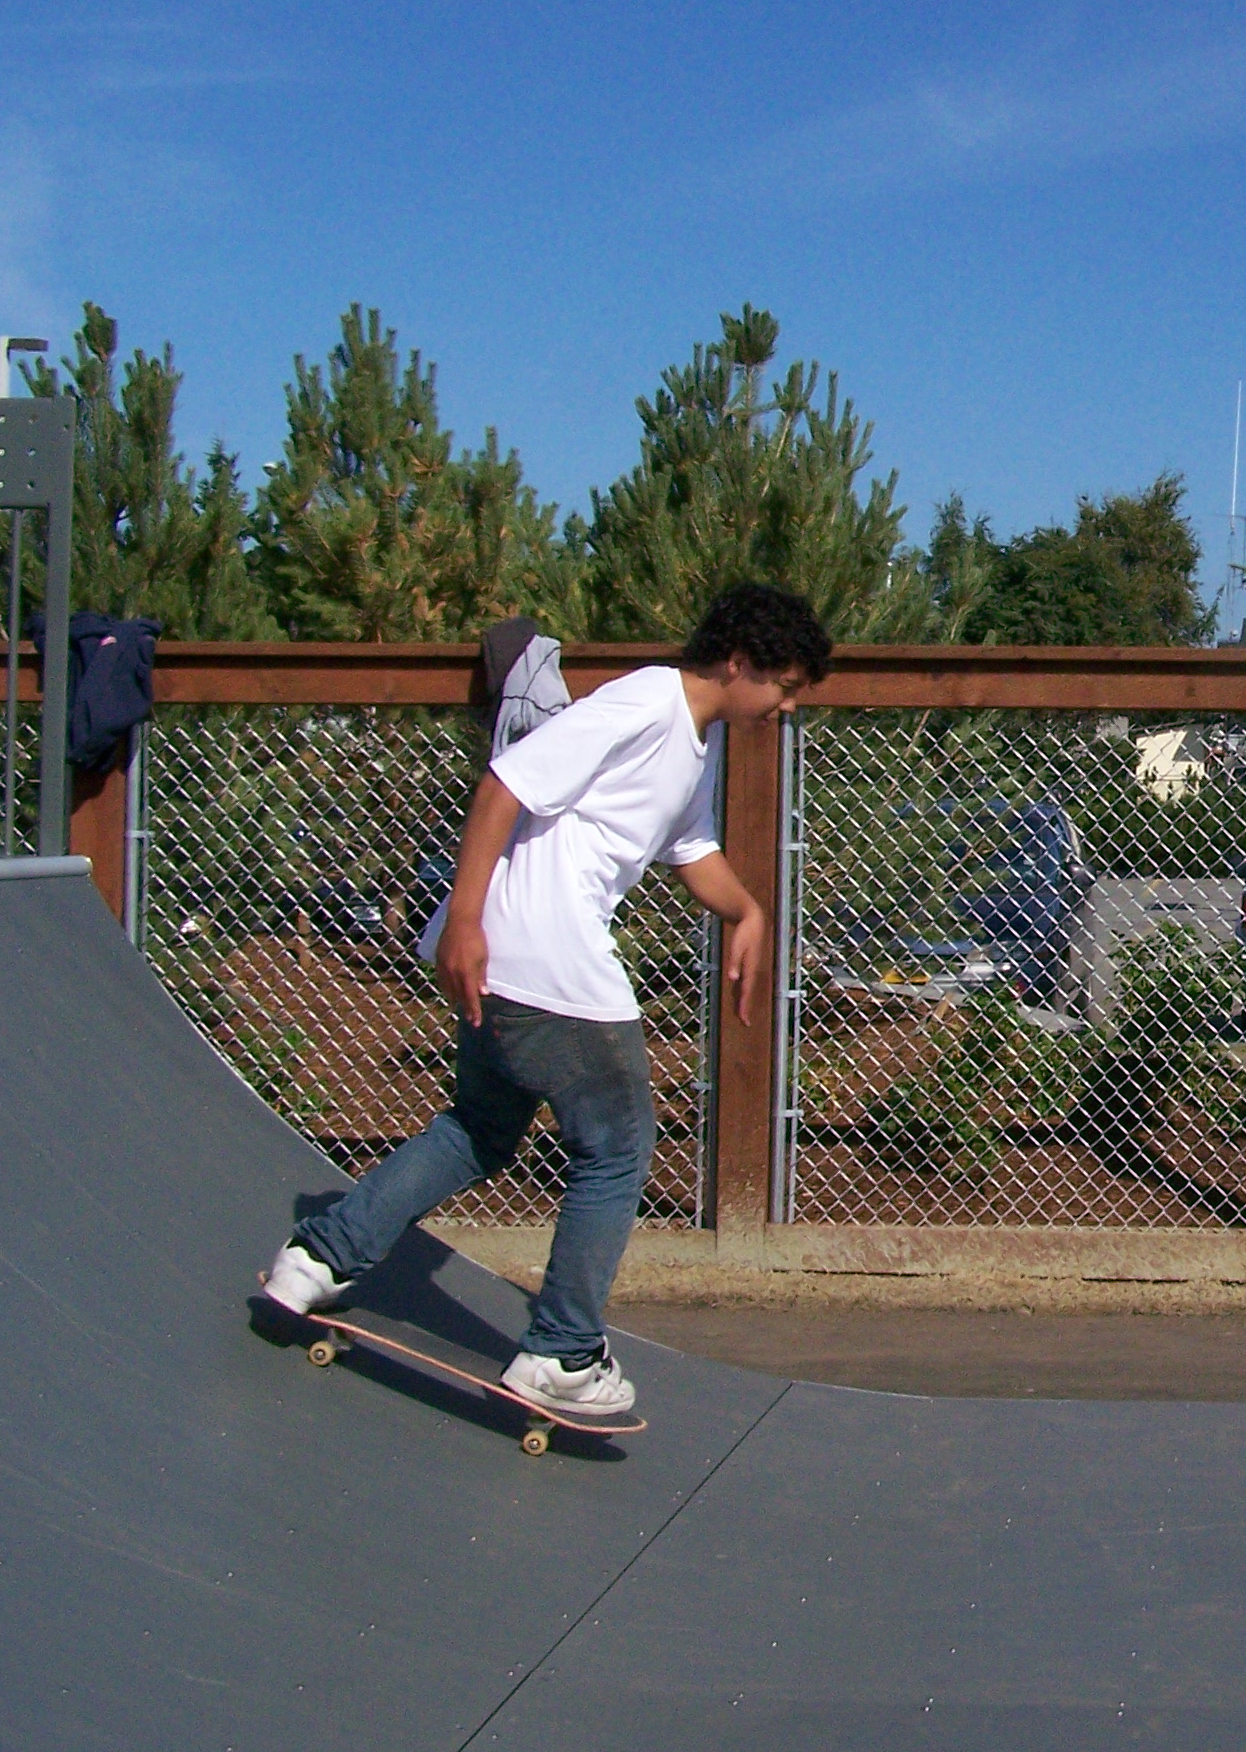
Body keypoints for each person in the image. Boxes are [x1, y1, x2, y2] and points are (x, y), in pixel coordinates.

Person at [259, 582, 831, 1414]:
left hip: (511, 960)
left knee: (479, 1130)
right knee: (615, 1149)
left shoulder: (693, 741)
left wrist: (746, 908)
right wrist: (462, 917)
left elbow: (688, 845)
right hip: (545, 959)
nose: (782, 709)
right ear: (740, 662)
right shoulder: (643, 702)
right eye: (781, 689)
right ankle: (561, 1351)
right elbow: (506, 784)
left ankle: (319, 1258)